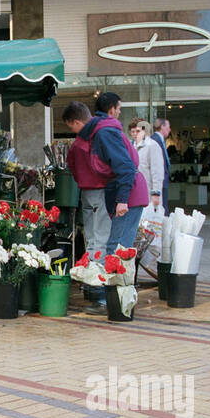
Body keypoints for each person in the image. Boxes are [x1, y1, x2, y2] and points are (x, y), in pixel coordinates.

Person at [62, 101, 149, 317]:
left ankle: (107, 297)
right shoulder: (98, 134)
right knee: (107, 244)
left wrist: (121, 199)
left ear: (76, 122)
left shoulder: (99, 135)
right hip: (109, 192)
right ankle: (108, 297)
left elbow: (126, 167)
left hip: (110, 193)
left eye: (70, 126)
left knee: (108, 244)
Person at [129, 119, 164, 215]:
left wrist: (156, 193)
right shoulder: (130, 146)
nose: (135, 134)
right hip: (134, 192)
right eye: (133, 131)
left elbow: (157, 172)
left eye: (138, 131)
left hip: (148, 192)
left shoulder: (152, 146)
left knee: (149, 225)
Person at [151, 117, 171, 200]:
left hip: (162, 180)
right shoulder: (155, 141)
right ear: (162, 126)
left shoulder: (160, 140)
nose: (169, 130)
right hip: (159, 182)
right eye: (168, 127)